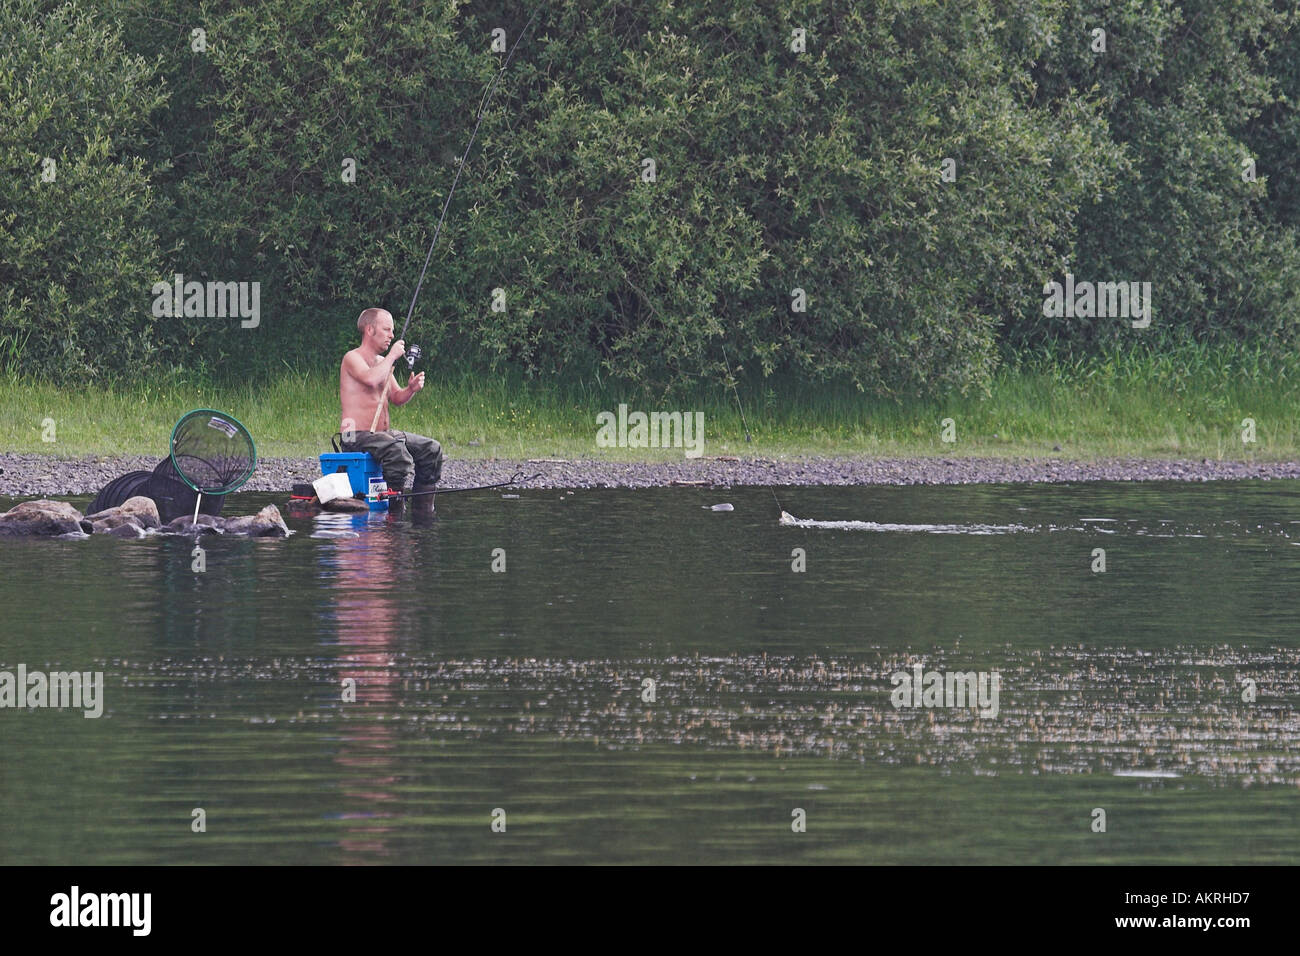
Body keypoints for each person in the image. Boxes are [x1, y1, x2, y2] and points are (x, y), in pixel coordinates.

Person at [339, 308, 443, 511]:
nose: (392, 336)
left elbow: (396, 397)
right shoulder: (352, 358)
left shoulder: (382, 363)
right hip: (356, 436)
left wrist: (411, 389)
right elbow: (370, 379)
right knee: (398, 453)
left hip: (383, 436)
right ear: (370, 330)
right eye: (387, 330)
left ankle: (423, 512)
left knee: (432, 449)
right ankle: (394, 515)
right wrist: (393, 356)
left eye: (393, 331)